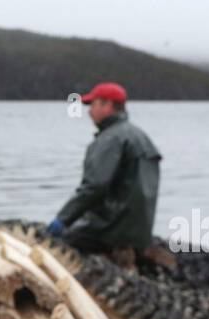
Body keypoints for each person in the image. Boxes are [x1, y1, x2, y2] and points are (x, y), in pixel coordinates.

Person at [48, 82, 161, 266]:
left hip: (112, 229)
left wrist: (62, 219)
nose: (89, 111)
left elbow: (94, 186)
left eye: (93, 104)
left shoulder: (110, 139)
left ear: (107, 105)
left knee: (55, 245)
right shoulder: (139, 136)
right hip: (139, 230)